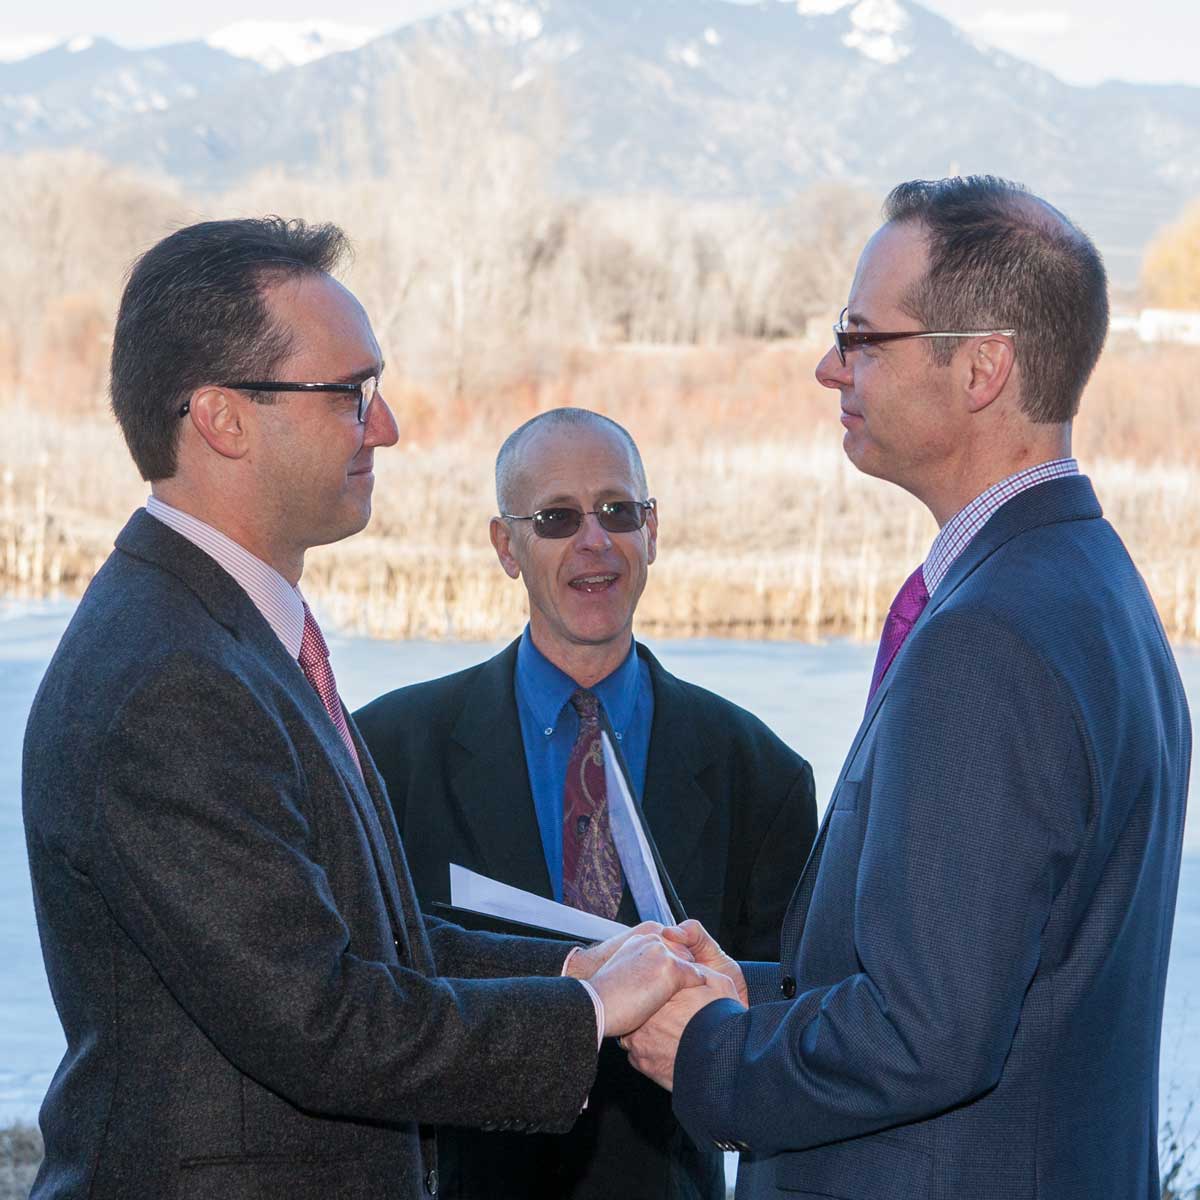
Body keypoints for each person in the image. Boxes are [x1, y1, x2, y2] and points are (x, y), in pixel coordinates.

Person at [21, 218, 716, 1200]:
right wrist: (592, 1011)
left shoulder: (230, 635)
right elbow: (321, 1021)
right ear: (222, 419)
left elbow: (372, 946)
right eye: (350, 394)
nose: (384, 426)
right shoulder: (170, 679)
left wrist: (583, 964)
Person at [625, 176, 1192, 1199]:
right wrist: (746, 995)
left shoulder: (990, 636)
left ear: (982, 368)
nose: (828, 367)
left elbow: (926, 1032)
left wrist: (712, 1051)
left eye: (862, 338)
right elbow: (985, 976)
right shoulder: (1092, 583)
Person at [355, 407, 817, 1200]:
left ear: (652, 531)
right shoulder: (388, 754)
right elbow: (367, 1002)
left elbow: (785, 1026)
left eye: (618, 510)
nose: (594, 540)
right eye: (557, 519)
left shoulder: (762, 773)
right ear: (506, 547)